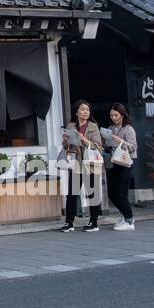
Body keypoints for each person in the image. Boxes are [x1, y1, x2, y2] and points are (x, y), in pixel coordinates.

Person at [58, 99, 103, 232]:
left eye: (87, 110)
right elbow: (67, 147)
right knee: (72, 194)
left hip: (91, 163)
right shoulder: (71, 126)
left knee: (92, 193)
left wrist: (83, 139)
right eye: (83, 109)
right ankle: (69, 223)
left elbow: (98, 147)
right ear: (76, 112)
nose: (85, 112)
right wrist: (66, 141)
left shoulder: (93, 126)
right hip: (76, 163)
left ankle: (94, 222)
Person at [102, 102, 138, 231]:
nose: (113, 118)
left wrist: (120, 141)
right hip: (113, 162)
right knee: (112, 193)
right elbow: (107, 145)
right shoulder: (110, 128)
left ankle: (129, 220)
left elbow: (134, 146)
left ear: (122, 115)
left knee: (121, 193)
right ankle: (125, 217)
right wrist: (106, 142)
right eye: (111, 115)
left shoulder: (128, 129)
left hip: (126, 163)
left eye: (116, 115)